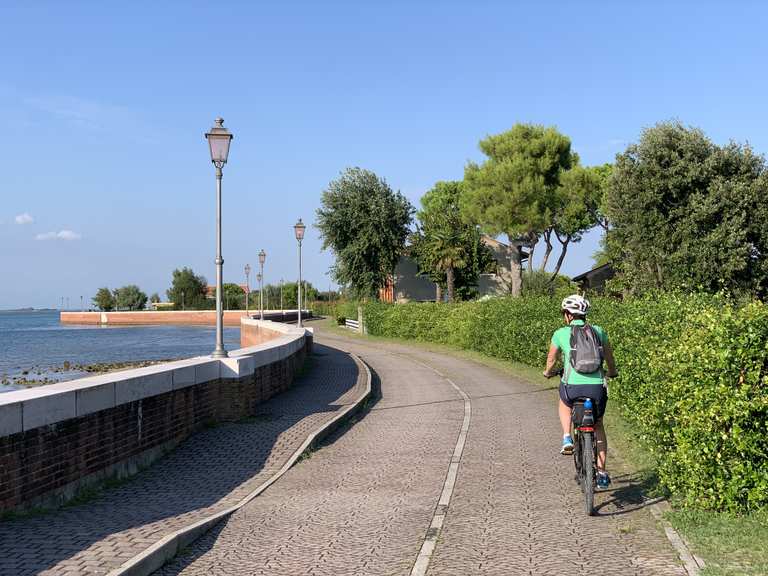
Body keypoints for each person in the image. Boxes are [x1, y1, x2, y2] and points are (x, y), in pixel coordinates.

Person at [543, 294, 618, 489]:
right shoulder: (599, 331)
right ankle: (601, 473)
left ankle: (567, 437)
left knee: (564, 401)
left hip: (572, 387)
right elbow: (609, 357)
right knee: (598, 425)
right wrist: (612, 372)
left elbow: (552, 359)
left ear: (568, 315)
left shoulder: (560, 333)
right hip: (597, 389)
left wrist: (547, 372)